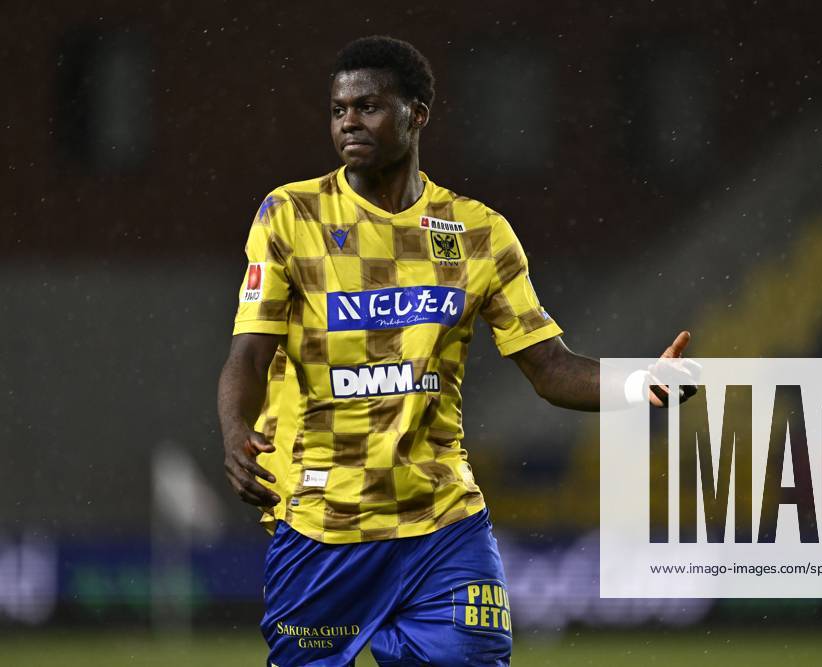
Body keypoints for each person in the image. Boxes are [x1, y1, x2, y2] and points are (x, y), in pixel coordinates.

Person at [217, 35, 692, 667]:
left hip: (443, 526)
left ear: (417, 114)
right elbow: (248, 356)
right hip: (323, 526)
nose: (349, 122)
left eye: (368, 106)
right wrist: (234, 433)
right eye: (338, 110)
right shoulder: (290, 215)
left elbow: (550, 368)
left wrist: (643, 384)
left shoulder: (477, 233)